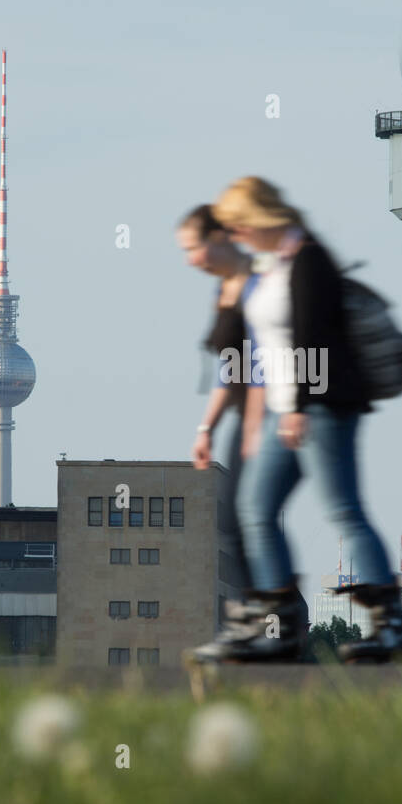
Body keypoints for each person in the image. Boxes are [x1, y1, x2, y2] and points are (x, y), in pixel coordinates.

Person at [191, 176, 402, 664]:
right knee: (254, 509)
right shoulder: (273, 265)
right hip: (283, 408)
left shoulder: (309, 258)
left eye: (235, 225)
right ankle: (278, 626)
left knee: (343, 510)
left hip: (321, 407)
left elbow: (312, 337)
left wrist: (295, 406)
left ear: (254, 219)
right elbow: (258, 348)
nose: (232, 235)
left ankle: (390, 624)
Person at [175, 204, 255, 598]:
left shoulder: (262, 283)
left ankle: (271, 616)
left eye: (195, 248)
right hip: (255, 419)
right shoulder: (223, 291)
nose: (191, 260)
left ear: (220, 238)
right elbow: (230, 372)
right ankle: (267, 615)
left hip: (284, 416)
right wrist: (206, 430)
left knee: (249, 515)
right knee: (244, 517)